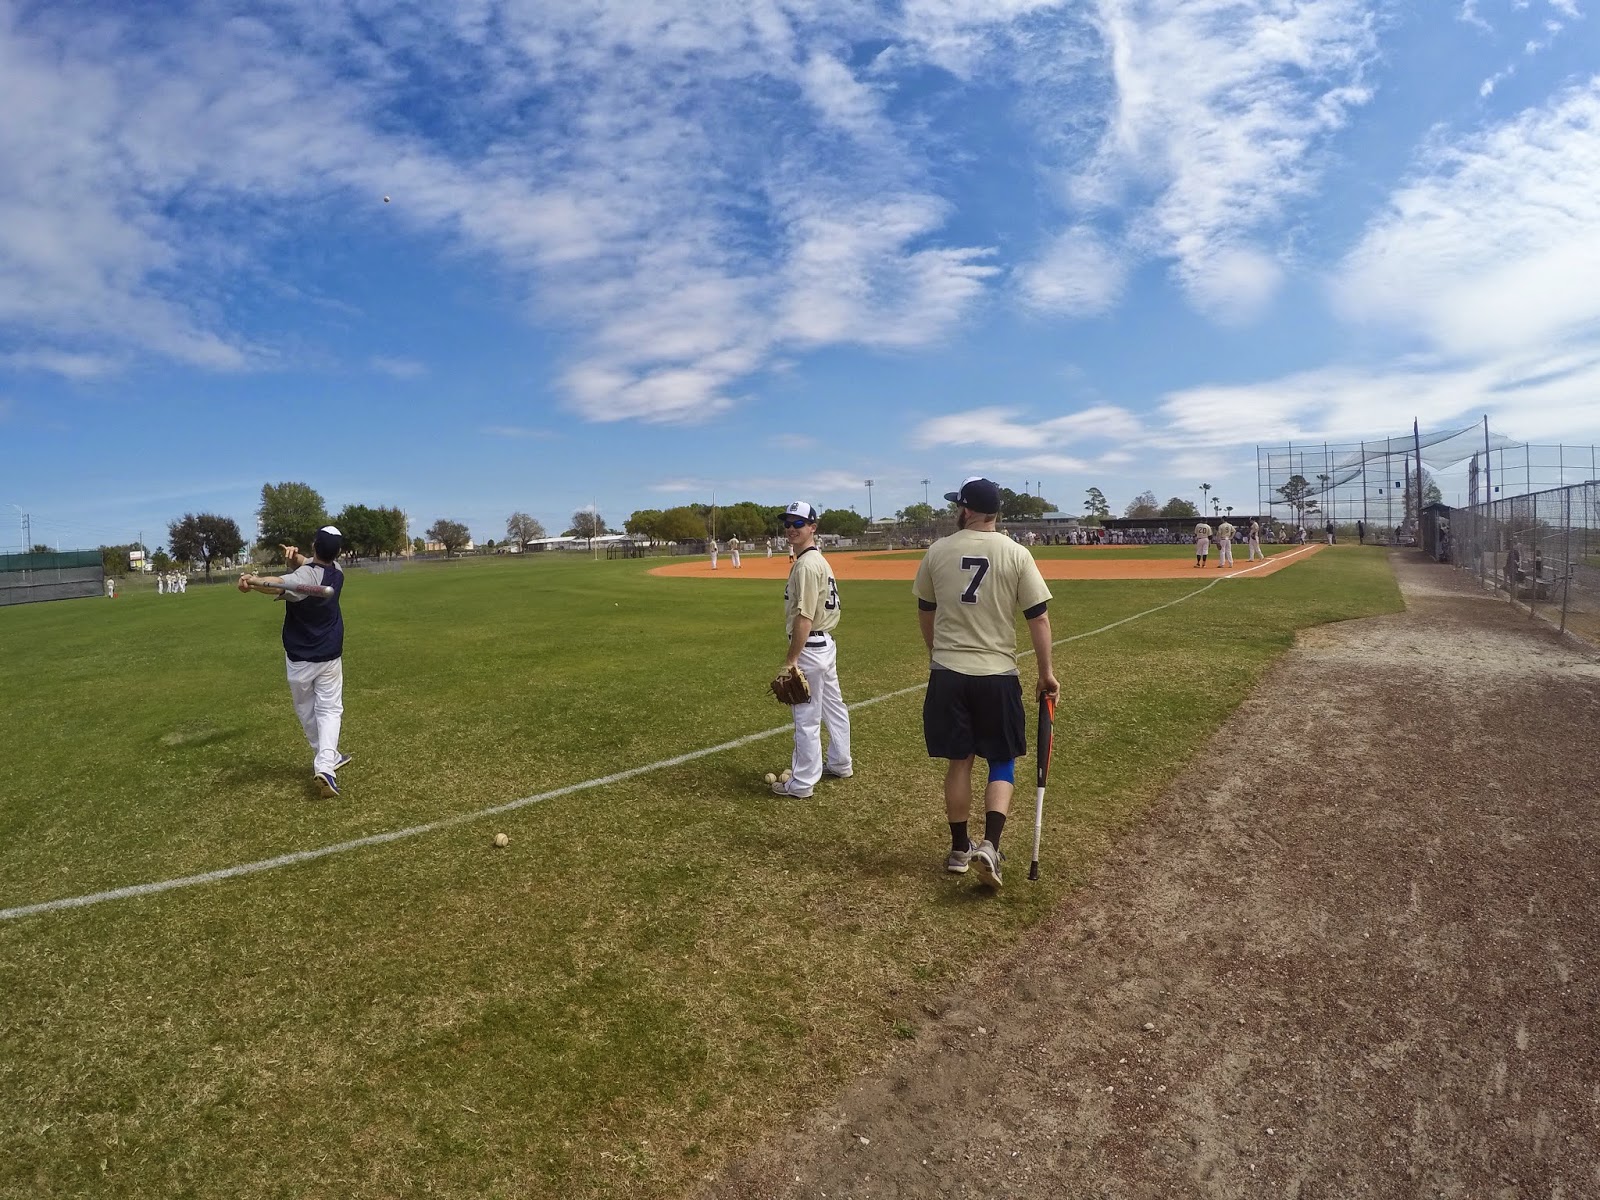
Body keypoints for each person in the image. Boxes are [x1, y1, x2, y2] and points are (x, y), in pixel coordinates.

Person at [913, 477, 1058, 889]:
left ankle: (960, 849)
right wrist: (1045, 674)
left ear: (967, 510)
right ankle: (990, 847)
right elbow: (1038, 617)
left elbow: (926, 608)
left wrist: (936, 651)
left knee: (960, 760)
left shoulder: (937, 551)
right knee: (1001, 758)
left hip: (948, 672)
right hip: (996, 673)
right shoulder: (1016, 552)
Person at [238, 527, 352, 799]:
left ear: (314, 546)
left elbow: (275, 582)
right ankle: (328, 759)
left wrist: (251, 580)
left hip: (300, 657)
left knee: (308, 711)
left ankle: (325, 762)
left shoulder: (303, 577)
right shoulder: (337, 571)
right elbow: (305, 568)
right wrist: (295, 560)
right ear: (337, 552)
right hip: (329, 653)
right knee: (329, 710)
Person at [772, 502, 852, 798]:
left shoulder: (806, 564)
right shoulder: (819, 559)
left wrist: (791, 660)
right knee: (834, 706)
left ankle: (802, 783)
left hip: (810, 646)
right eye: (787, 524)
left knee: (806, 716)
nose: (791, 529)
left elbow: (803, 617)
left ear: (812, 527)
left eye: (798, 524)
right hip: (826, 644)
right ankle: (841, 762)